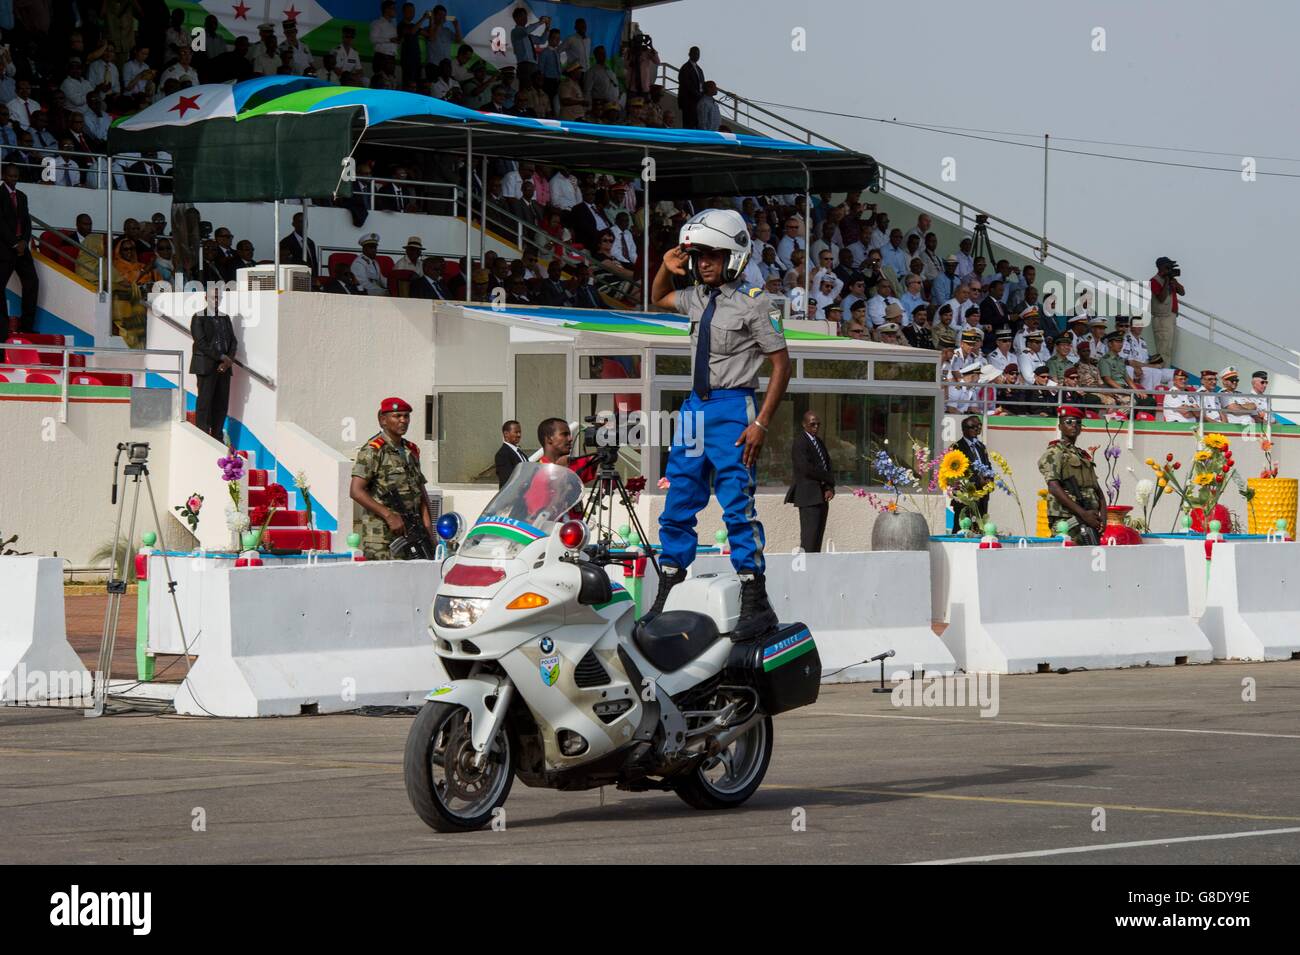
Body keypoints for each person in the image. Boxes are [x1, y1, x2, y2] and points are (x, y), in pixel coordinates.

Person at [646, 208, 792, 641]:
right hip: (693, 409)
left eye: (712, 254)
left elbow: (782, 365)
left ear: (734, 257)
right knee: (679, 499)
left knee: (737, 506)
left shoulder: (756, 301)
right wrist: (664, 267)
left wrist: (761, 423)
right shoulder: (694, 296)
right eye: (697, 256)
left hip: (733, 408)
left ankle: (755, 599)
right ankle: (669, 591)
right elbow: (658, 298)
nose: (702, 262)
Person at [349, 397, 432, 561]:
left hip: (414, 531)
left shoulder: (411, 450)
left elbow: (420, 492)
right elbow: (356, 491)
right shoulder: (373, 450)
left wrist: (429, 529)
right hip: (382, 537)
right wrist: (389, 516)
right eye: (397, 416)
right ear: (383, 420)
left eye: (406, 416)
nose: (403, 420)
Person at [1039, 406, 1105, 544]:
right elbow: (1054, 487)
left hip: (1090, 518)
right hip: (1067, 519)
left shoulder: (1082, 455)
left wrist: (1103, 518)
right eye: (1069, 422)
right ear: (1060, 426)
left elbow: (1097, 490)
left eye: (1078, 422)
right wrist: (1083, 514)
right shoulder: (1055, 452)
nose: (1074, 425)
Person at [189, 289, 238, 440]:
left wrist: (228, 360)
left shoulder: (225, 318)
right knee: (205, 401)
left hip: (224, 367)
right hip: (206, 366)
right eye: (213, 298)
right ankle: (202, 434)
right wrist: (222, 357)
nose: (216, 300)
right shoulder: (198, 317)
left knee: (221, 403)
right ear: (206, 298)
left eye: (218, 298)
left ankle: (217, 436)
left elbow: (233, 341)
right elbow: (201, 343)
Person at [784, 409, 834, 553]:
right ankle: (807, 570)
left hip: (821, 497)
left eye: (818, 424)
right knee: (809, 537)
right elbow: (806, 469)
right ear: (804, 424)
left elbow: (827, 464)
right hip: (809, 497)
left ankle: (815, 568)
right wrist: (827, 478)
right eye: (812, 424)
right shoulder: (800, 442)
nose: (816, 427)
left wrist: (829, 487)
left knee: (818, 536)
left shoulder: (818, 441)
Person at [0, 163, 36, 334]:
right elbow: (0, 224)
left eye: (16, 176)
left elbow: (27, 222)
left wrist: (24, 242)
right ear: (3, 176)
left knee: (32, 283)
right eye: (10, 176)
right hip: (4, 249)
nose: (14, 179)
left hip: (22, 248)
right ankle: (3, 328)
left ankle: (27, 327)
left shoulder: (22, 196)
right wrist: (15, 243)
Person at [950, 416, 992, 527]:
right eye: (973, 427)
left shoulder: (980, 446)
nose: (977, 428)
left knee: (980, 527)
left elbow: (988, 465)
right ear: (964, 430)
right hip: (965, 497)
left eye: (979, 425)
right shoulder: (957, 447)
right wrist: (978, 481)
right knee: (962, 527)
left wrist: (990, 480)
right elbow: (958, 472)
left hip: (982, 496)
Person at [1149, 256, 1184, 365]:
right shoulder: (1154, 281)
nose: (1170, 269)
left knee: (1168, 349)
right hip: (1162, 318)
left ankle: (1165, 373)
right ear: (1161, 267)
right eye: (1168, 267)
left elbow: (1182, 292)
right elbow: (1161, 298)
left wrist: (1174, 281)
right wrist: (1167, 281)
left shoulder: (1170, 280)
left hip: (1171, 317)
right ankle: (1162, 374)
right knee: (1163, 349)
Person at [495, 419, 529, 487]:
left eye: (520, 432)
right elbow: (507, 480)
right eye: (516, 432)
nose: (519, 435)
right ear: (506, 434)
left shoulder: (520, 452)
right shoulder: (503, 454)